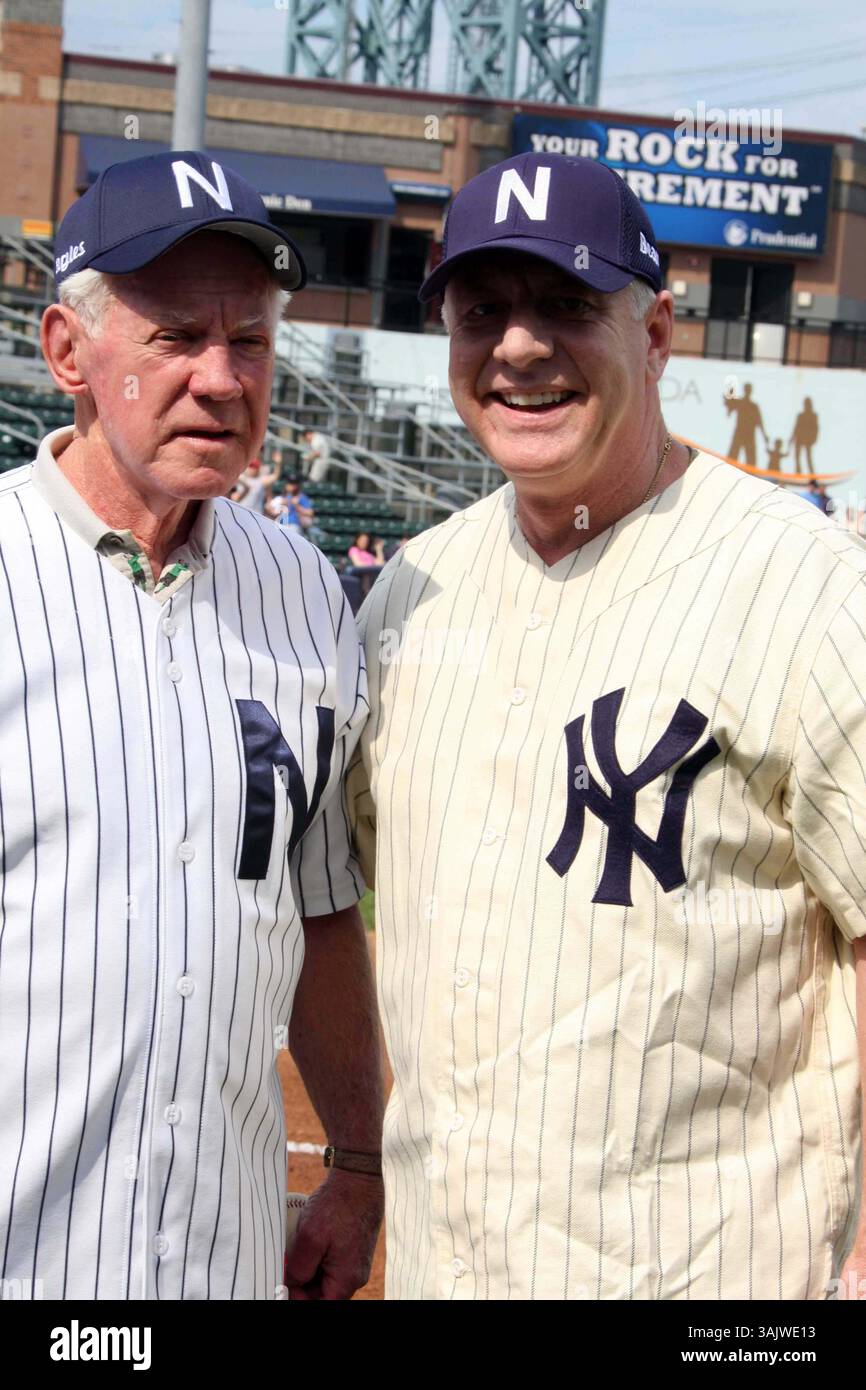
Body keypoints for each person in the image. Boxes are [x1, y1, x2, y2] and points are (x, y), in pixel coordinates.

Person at [338, 152, 866, 1301]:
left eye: (567, 303)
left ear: (658, 333)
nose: (518, 346)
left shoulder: (806, 589)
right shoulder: (410, 592)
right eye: (483, 311)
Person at [0, 149, 383, 1301]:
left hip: (217, 1261)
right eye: (175, 337)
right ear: (69, 351)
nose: (222, 379)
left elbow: (316, 910)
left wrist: (357, 1164)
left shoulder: (306, 591)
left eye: (250, 341)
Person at [724, 382, 768, 466]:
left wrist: (764, 436)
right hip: (739, 432)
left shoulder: (753, 406)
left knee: (750, 460)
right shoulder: (740, 402)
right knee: (732, 457)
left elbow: (759, 422)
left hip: (749, 434)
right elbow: (729, 411)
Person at [790, 396, 819, 474]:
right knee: (797, 457)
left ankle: (812, 475)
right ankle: (798, 473)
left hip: (808, 439)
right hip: (799, 438)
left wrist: (814, 438)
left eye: (808, 404)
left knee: (808, 458)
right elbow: (796, 427)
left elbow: (816, 428)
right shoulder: (800, 415)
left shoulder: (814, 415)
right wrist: (791, 439)